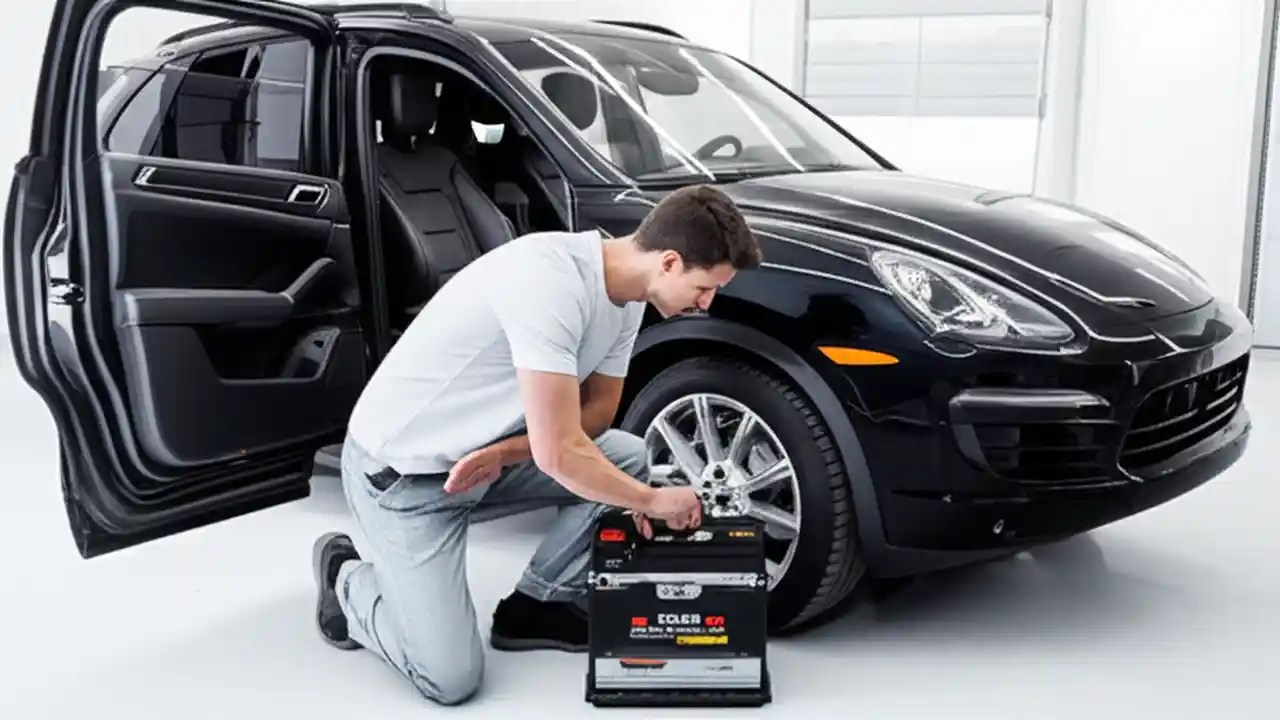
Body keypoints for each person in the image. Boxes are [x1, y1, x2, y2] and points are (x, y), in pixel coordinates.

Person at [310, 183, 763, 705]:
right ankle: (345, 581)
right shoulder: (549, 281)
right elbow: (560, 452)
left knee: (628, 456)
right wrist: (649, 501)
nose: (706, 304)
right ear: (668, 262)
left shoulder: (628, 297)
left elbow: (595, 417)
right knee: (449, 679)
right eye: (706, 288)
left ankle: (537, 607)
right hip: (400, 481)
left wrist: (506, 454)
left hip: (483, 461)